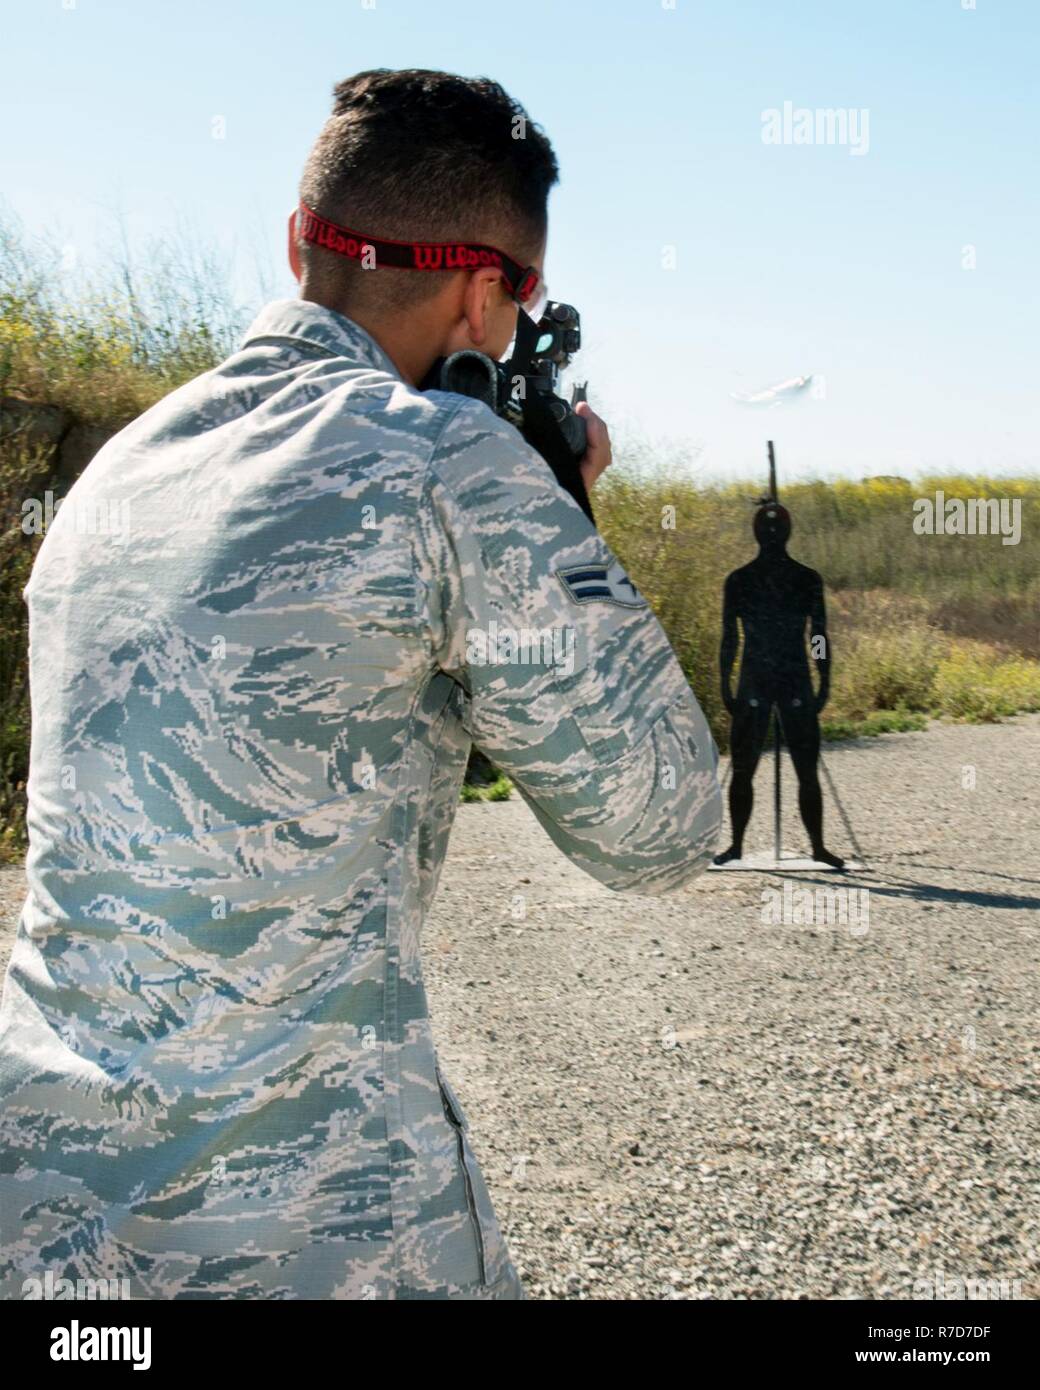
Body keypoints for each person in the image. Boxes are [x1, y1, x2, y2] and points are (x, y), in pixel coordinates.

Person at [0, 69, 721, 1301]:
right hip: (315, 1232)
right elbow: (662, 824)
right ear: (488, 289)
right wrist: (555, 511)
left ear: (297, 240)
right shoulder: (452, 463)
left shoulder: (115, 476)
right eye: (516, 301)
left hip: (46, 1222)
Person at [714, 502, 844, 869]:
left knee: (804, 768)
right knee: (744, 767)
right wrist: (726, 683)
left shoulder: (804, 579)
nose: (771, 536)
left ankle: (817, 846)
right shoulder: (741, 580)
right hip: (766, 681)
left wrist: (824, 677)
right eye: (767, 530)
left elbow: (818, 635)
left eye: (775, 530)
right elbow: (730, 638)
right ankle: (737, 845)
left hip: (788, 680)